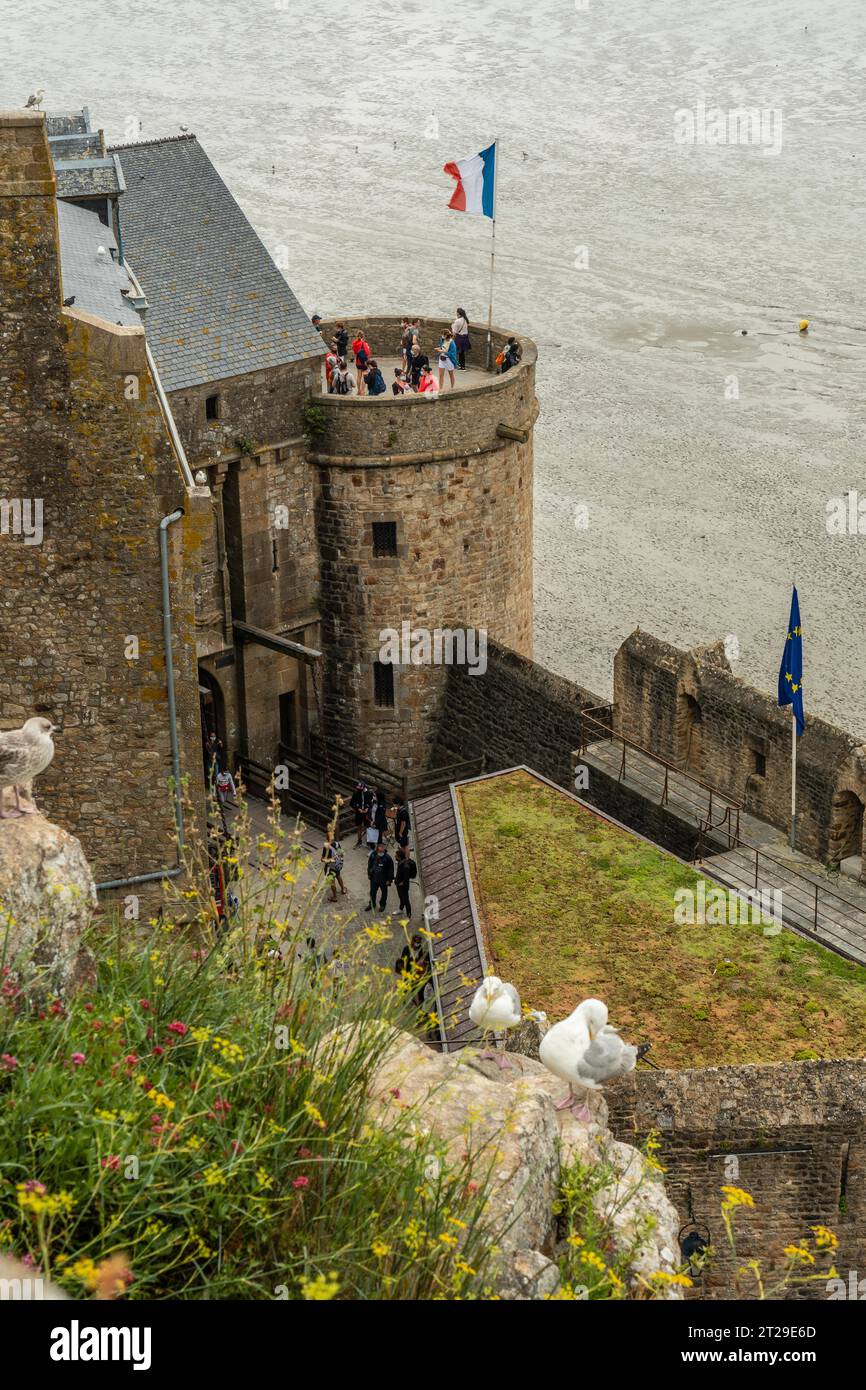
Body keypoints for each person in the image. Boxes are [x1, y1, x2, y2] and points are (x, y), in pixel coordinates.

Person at [367, 840, 394, 912]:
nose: (382, 848)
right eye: (380, 846)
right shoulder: (373, 855)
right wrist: (369, 874)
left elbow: (391, 869)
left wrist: (389, 880)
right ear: (377, 847)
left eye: (383, 847)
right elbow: (369, 865)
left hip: (383, 879)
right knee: (372, 892)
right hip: (374, 878)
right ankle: (372, 903)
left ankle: (382, 904)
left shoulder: (388, 858)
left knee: (384, 892)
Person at [321, 835, 347, 901]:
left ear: (327, 839)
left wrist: (325, 869)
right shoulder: (337, 843)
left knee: (332, 881)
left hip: (332, 866)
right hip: (338, 864)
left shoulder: (326, 847)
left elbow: (323, 859)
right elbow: (341, 853)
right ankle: (343, 889)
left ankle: (335, 897)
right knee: (338, 875)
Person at [395, 844, 417, 917]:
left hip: (403, 886)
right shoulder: (400, 862)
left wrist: (402, 883)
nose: (395, 857)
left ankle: (409, 915)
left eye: (396, 856)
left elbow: (406, 878)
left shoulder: (405, 866)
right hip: (399, 884)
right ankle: (401, 909)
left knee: (406, 900)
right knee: (401, 898)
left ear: (399, 857)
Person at [350, 781, 372, 845]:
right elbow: (352, 803)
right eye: (358, 788)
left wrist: (367, 808)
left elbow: (371, 803)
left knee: (367, 826)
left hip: (366, 813)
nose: (359, 790)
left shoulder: (368, 794)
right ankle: (359, 840)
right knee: (359, 827)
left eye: (360, 788)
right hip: (359, 812)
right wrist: (358, 808)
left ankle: (369, 841)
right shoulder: (356, 794)